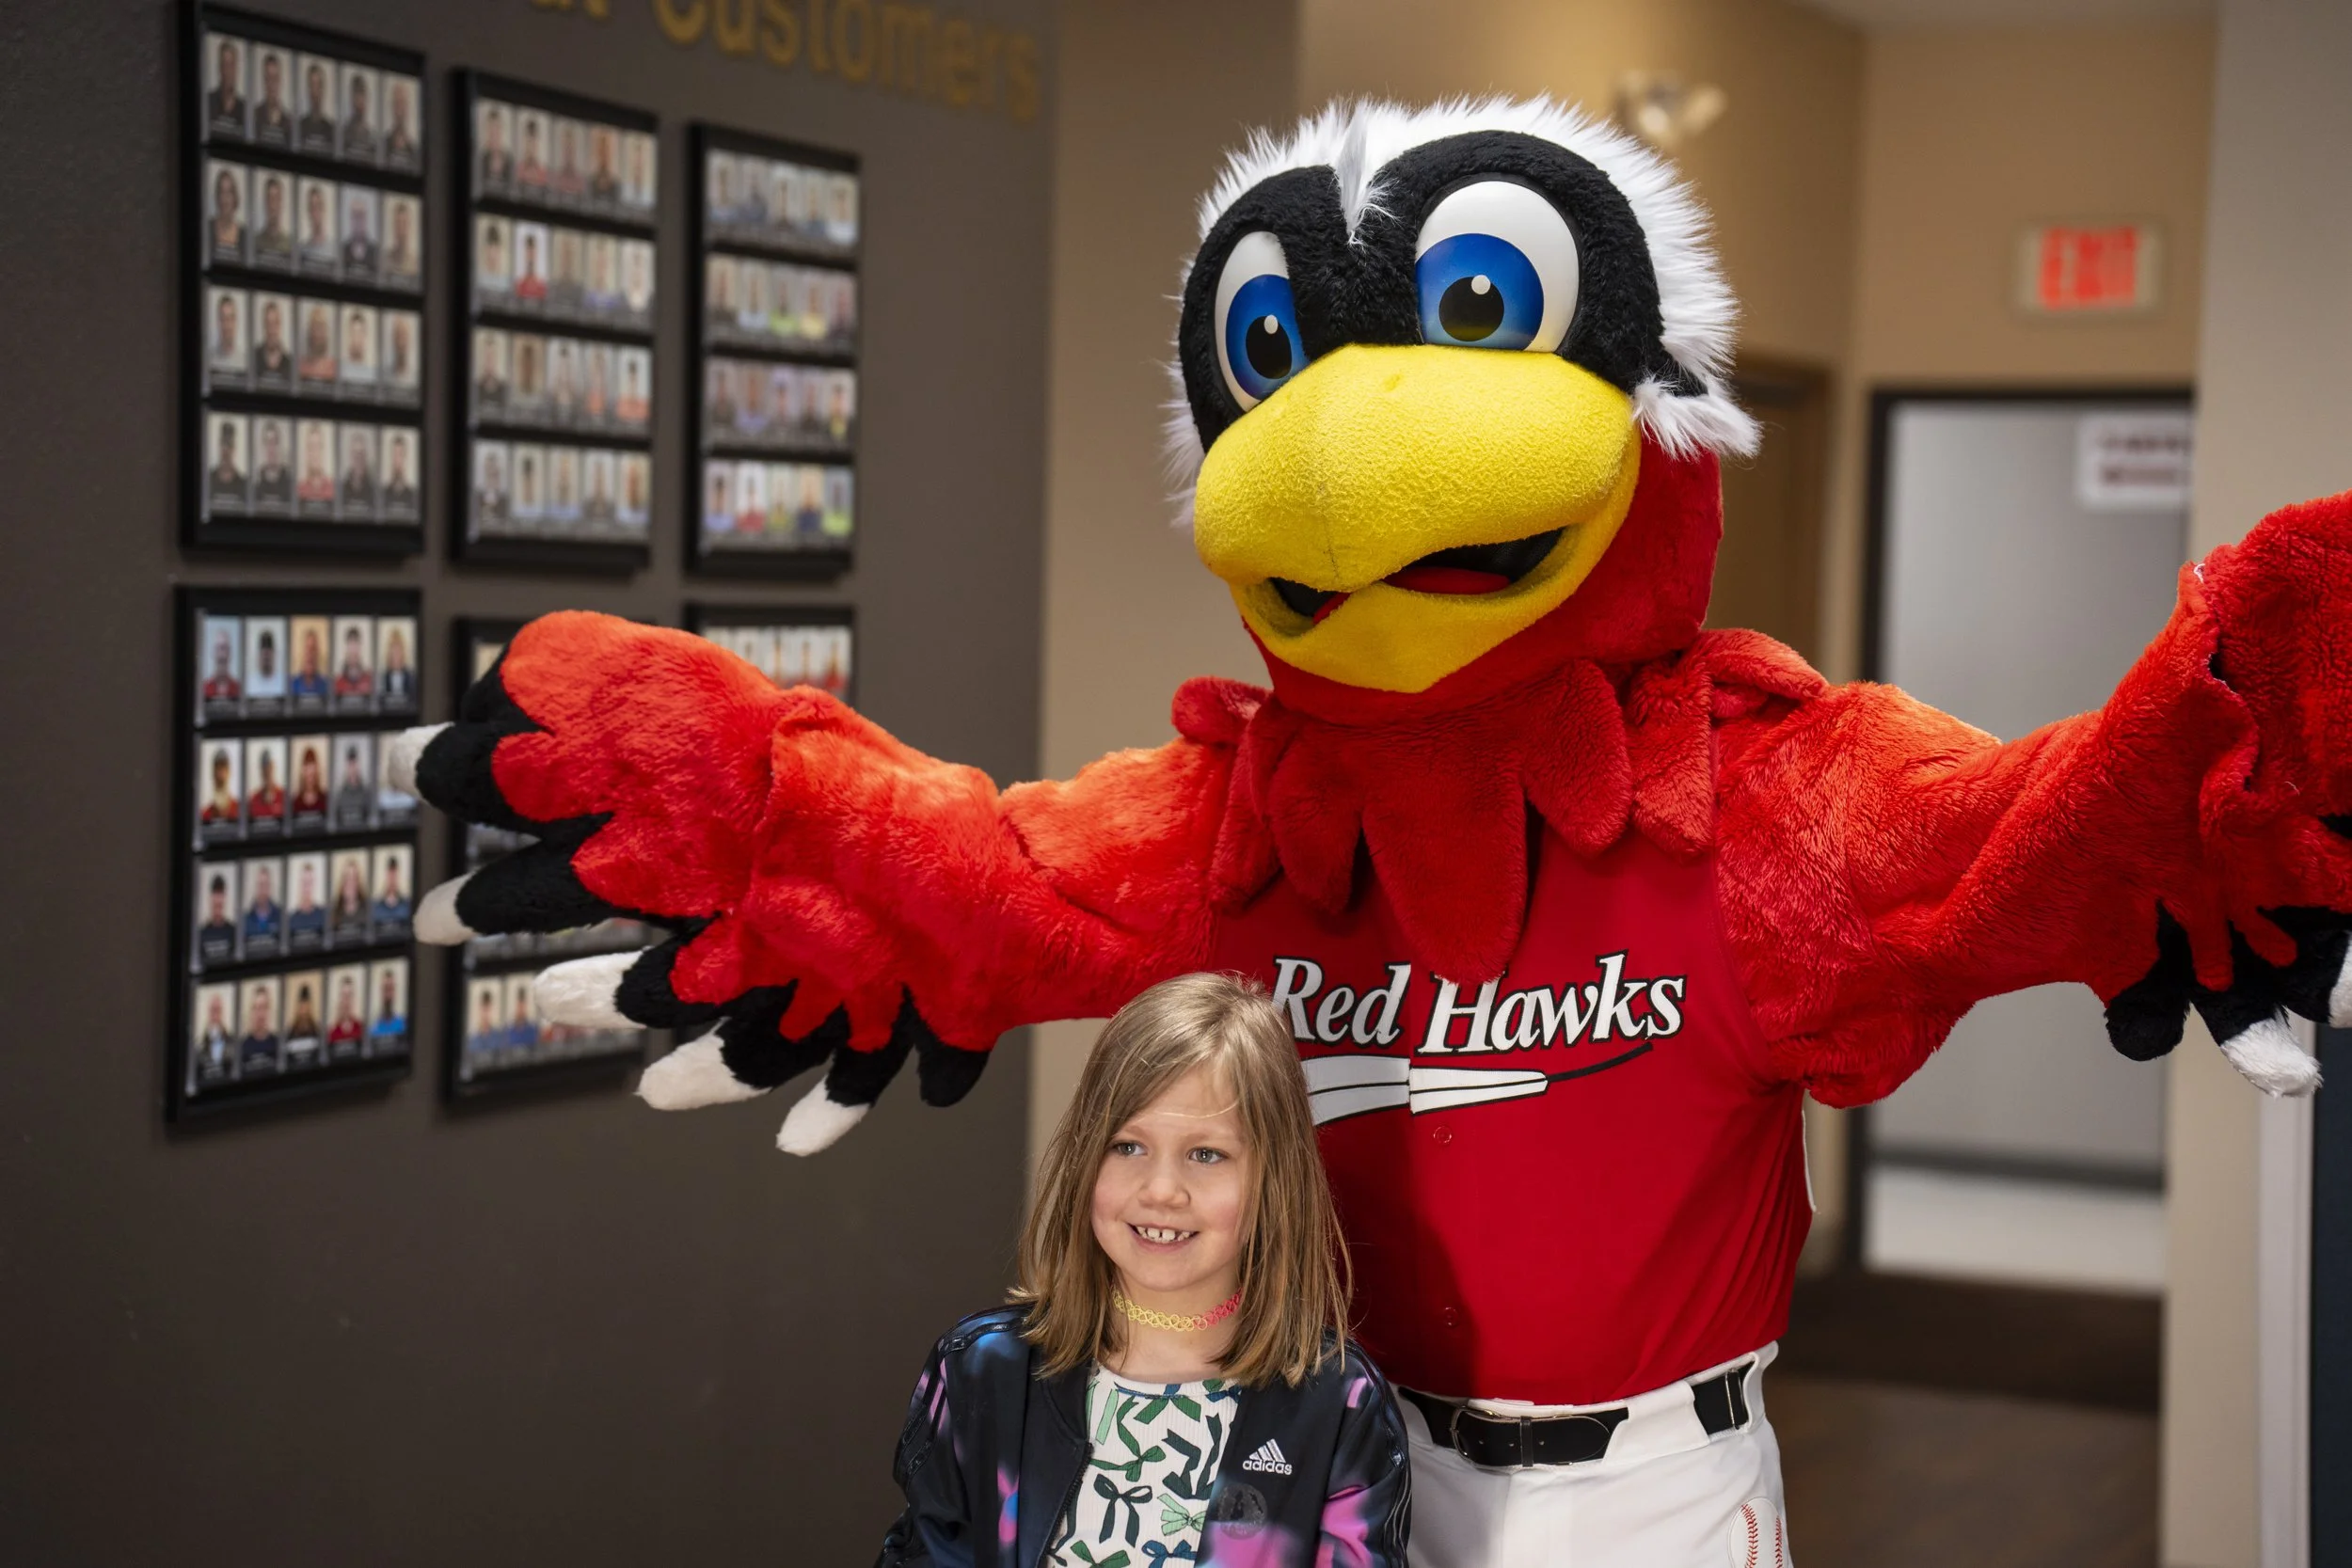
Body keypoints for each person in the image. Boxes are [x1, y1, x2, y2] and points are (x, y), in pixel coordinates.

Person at [877, 974, 1410, 1568]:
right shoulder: (982, 1370)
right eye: (1128, 1146)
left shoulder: (1339, 1402)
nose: (1161, 1190)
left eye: (1206, 1154)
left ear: (1274, 1182)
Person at [237, 987, 280, 1074]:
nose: (260, 1014)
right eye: (256, 1008)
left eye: (264, 1007)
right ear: (251, 1012)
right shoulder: (241, 1047)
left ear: (269, 1010)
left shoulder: (279, 1044)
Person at [198, 875, 238, 960]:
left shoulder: (233, 932)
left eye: (221, 894)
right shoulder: (201, 934)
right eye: (215, 893)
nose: (218, 899)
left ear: (225, 898)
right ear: (210, 898)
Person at [288, 860, 326, 948]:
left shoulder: (323, 916)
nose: (307, 888)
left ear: (314, 884)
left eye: (310, 883)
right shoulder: (291, 920)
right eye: (304, 883)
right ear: (299, 884)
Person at [253, 50, 290, 142]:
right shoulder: (254, 117)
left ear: (280, 81)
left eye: (275, 78)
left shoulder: (289, 123)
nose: (272, 84)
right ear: (264, 81)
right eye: (268, 78)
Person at [246, 750, 285, 829]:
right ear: (261, 770)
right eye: (264, 767)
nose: (267, 771)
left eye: (269, 766)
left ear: (273, 767)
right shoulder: (253, 800)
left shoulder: (283, 797)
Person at [327, 975, 365, 1054]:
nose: (347, 1001)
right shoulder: (331, 1033)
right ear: (340, 998)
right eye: (344, 996)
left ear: (354, 998)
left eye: (350, 996)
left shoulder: (362, 1029)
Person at [290, 742, 328, 820]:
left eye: (312, 775)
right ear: (303, 772)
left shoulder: (326, 799)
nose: (310, 779)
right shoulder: (295, 803)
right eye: (307, 769)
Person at [290, 626, 329, 701]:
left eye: (313, 649)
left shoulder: (326, 686)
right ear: (302, 652)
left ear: (317, 653)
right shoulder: (292, 685)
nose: (310, 654)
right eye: (307, 648)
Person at [201, 632, 240, 702]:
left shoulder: (238, 689)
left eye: (224, 648)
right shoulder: (204, 689)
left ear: (230, 653)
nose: (221, 654)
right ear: (213, 653)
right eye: (218, 648)